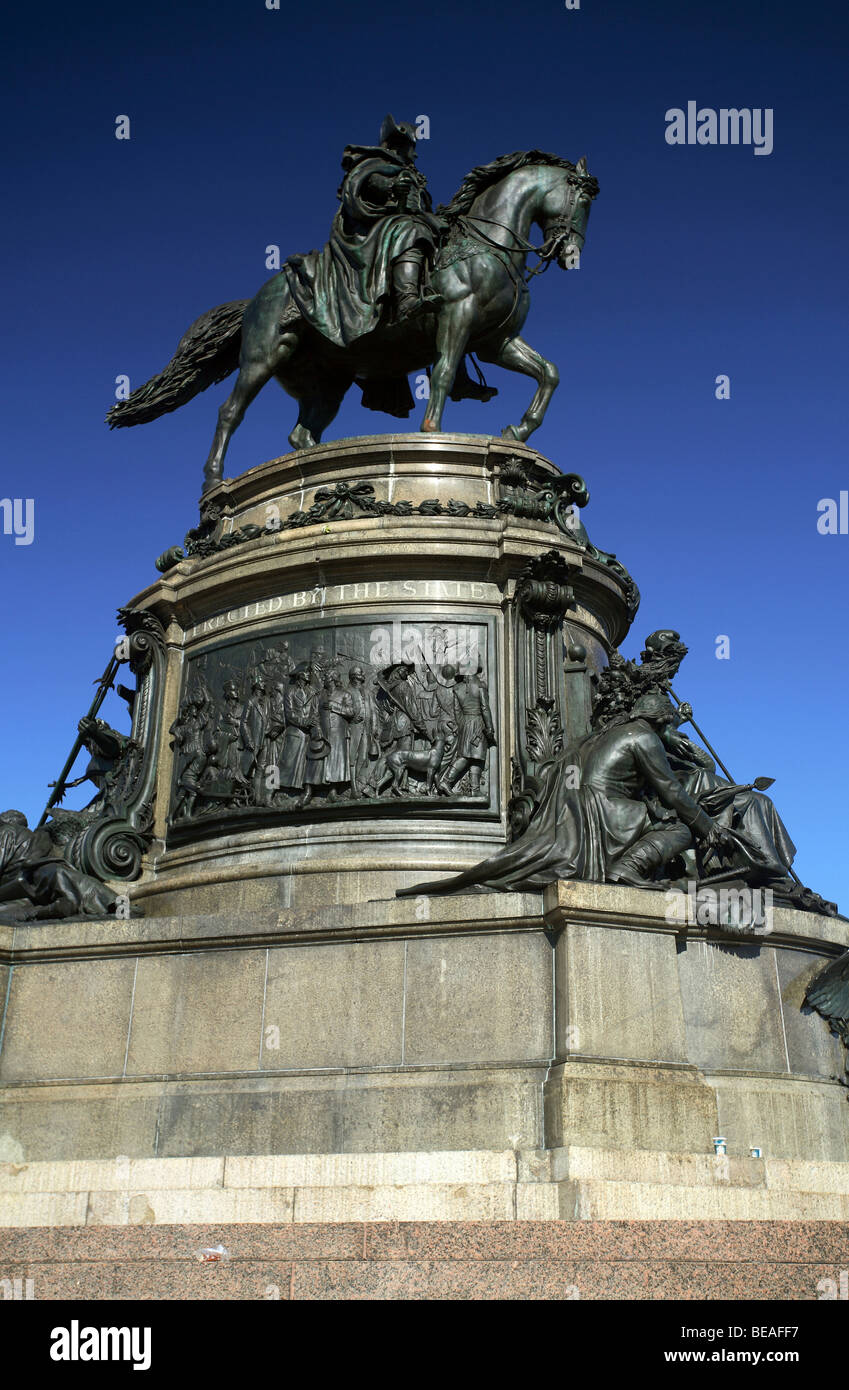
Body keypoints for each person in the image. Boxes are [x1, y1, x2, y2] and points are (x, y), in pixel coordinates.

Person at [399, 692, 734, 897]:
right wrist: (707, 826)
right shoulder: (645, 737)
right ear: (660, 720)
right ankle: (630, 867)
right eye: (667, 725)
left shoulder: (605, 733)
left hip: (578, 807)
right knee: (679, 828)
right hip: (607, 810)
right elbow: (671, 790)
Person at [436, 666, 495, 797]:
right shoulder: (480, 685)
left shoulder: (457, 688)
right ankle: (447, 781)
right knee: (473, 756)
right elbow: (485, 708)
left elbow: (457, 710)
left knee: (470, 754)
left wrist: (461, 725)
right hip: (478, 722)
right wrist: (489, 727)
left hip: (465, 723)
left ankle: (474, 789)